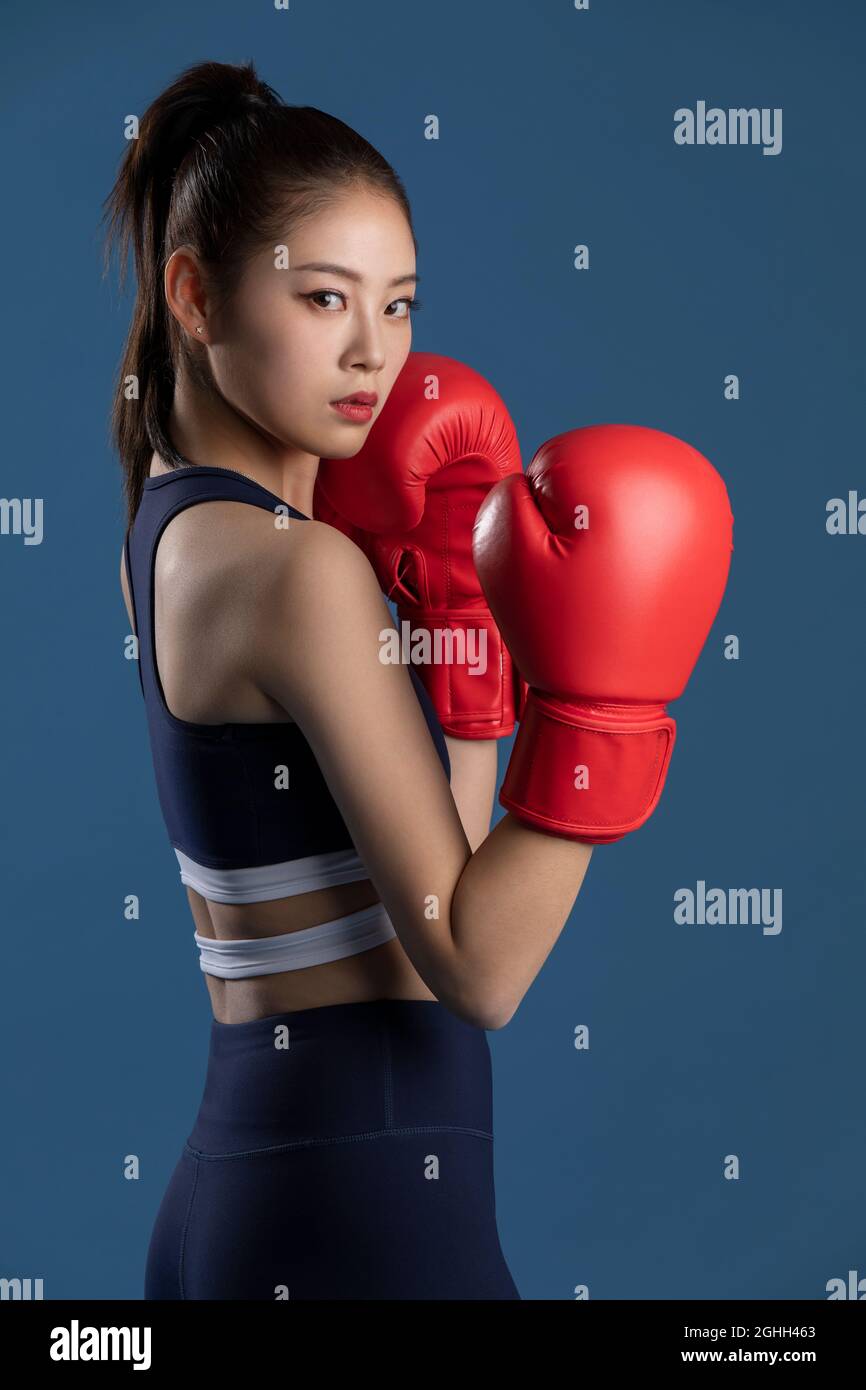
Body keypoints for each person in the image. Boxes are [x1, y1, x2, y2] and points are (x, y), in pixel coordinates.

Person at [105, 60, 732, 1301]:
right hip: (366, 1203)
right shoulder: (301, 573)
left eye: (399, 305)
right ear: (194, 292)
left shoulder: (166, 529)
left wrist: (460, 634)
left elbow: (420, 862)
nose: (374, 354)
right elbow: (475, 965)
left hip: (245, 1185)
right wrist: (603, 702)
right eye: (326, 299)